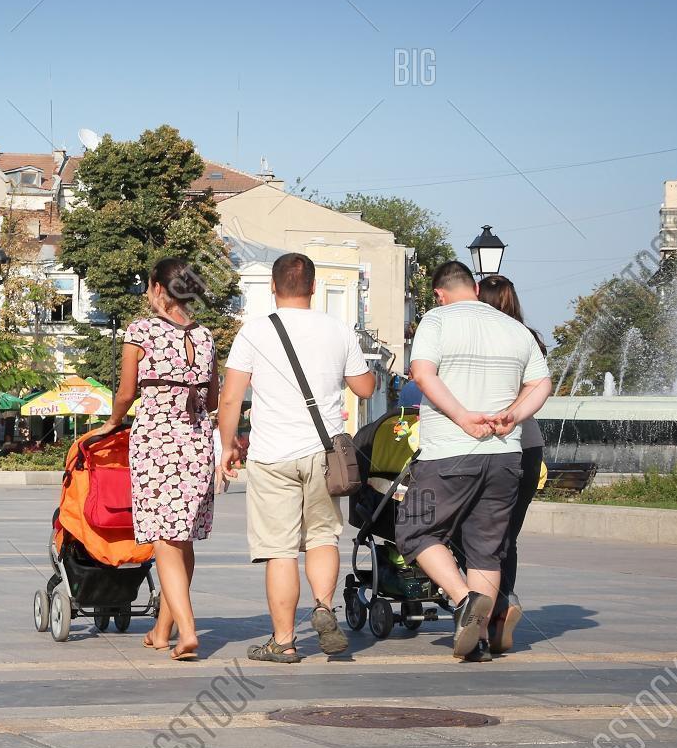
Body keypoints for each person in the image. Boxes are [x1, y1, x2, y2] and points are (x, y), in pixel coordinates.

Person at [218, 253, 376, 663]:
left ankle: (285, 641)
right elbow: (365, 389)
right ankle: (323, 607)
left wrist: (228, 444)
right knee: (323, 537)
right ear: (313, 286)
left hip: (272, 456)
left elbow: (232, 396)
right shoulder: (338, 330)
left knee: (280, 550)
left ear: (273, 286)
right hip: (324, 456)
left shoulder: (253, 332)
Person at [395, 261, 551, 662]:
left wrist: (463, 416)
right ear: (475, 290)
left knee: (414, 530)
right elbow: (542, 382)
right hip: (504, 454)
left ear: (439, 293)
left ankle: (465, 600)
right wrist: (512, 415)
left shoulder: (437, 320)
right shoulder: (513, 328)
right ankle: (478, 640)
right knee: (487, 549)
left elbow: (422, 373)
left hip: (449, 450)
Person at [90, 257, 216, 662]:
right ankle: (162, 629)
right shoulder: (207, 337)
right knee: (183, 537)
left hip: (158, 441)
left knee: (164, 538)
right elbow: (212, 400)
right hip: (197, 441)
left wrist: (111, 423)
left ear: (158, 289)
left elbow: (127, 393)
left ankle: (188, 630)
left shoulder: (140, 331)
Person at [471, 274, 547, 654]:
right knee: (506, 536)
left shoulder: (473, 339)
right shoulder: (529, 338)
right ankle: (504, 604)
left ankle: (476, 609)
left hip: (482, 443)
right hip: (528, 446)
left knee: (473, 533)